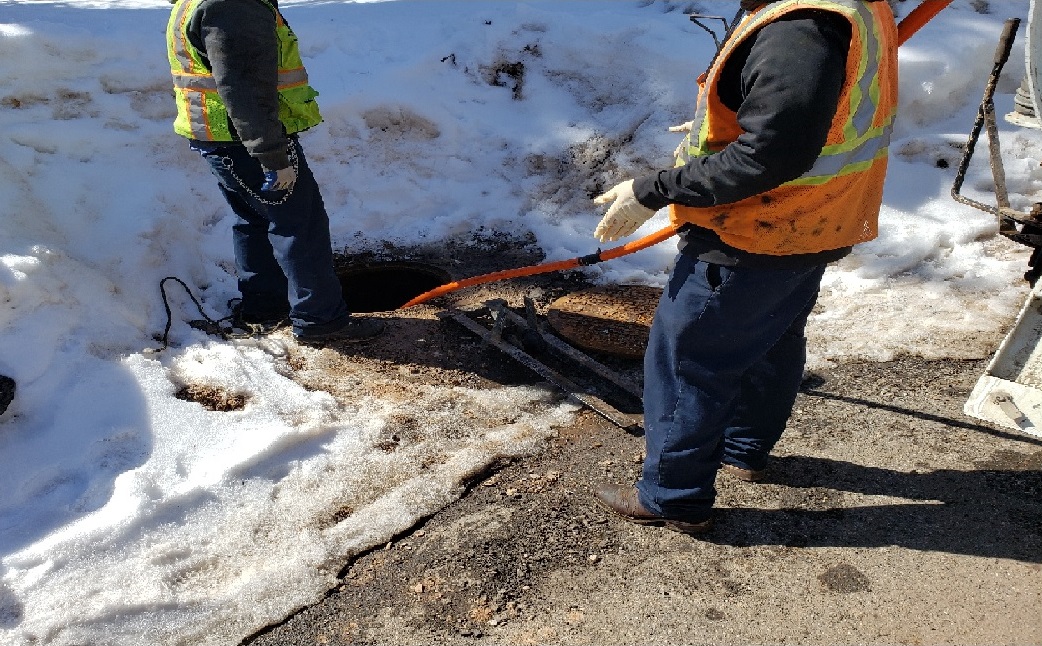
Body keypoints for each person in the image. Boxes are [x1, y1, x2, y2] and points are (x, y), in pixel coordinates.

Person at [591, 0, 899, 535]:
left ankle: (673, 495)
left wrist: (654, 190)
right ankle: (742, 448)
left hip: (754, 230)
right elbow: (804, 113)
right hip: (816, 221)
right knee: (770, 340)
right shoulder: (851, 6)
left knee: (690, 360)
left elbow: (771, 154)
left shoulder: (798, 30)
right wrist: (740, 119)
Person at [166, 0, 384, 344]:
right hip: (249, 142)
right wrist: (272, 156)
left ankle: (265, 307)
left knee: (253, 219)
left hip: (224, 139)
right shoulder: (234, 5)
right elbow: (245, 89)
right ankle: (321, 320)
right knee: (300, 226)